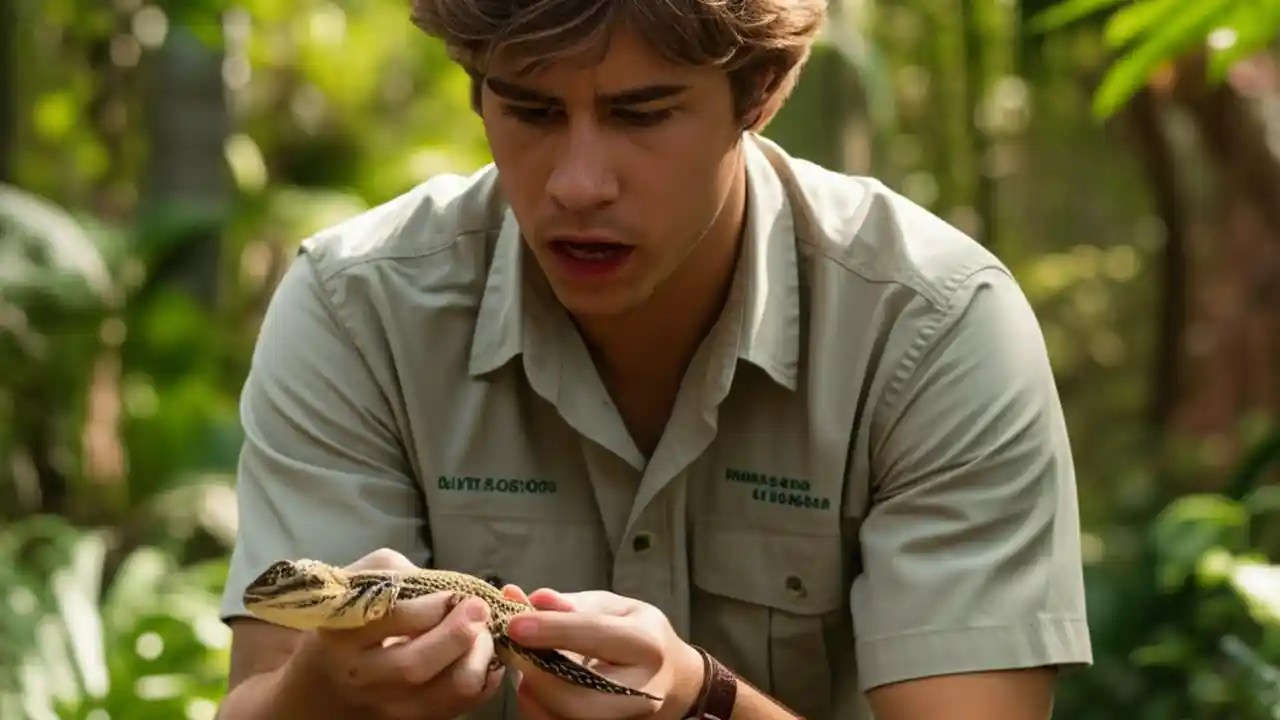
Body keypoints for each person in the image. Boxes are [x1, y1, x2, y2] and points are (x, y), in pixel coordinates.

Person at [214, 0, 1094, 718]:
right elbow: (263, 687)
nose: (578, 183)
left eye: (643, 115)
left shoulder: (931, 326)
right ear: (479, 95)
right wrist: (320, 693)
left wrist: (699, 700)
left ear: (758, 96)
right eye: (531, 110)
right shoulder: (359, 307)